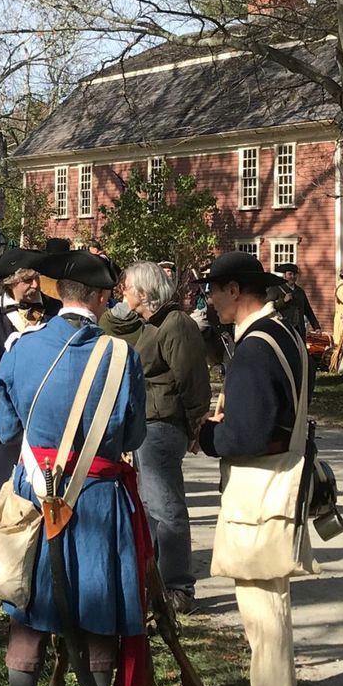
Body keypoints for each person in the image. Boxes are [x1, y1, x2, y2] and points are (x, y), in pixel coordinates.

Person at [0, 248, 149, 686]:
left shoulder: (20, 348)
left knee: (28, 612)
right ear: (104, 299)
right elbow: (132, 433)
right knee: (100, 616)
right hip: (98, 499)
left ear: (60, 293)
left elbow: (9, 428)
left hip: (36, 496)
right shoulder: (122, 358)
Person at [198, 251, 319, 686]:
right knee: (272, 600)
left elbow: (246, 435)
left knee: (261, 605)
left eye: (213, 290)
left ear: (234, 291)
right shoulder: (285, 334)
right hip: (283, 475)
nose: (209, 299)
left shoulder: (253, 349)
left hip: (259, 483)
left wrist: (208, 437)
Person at [102, 260, 211, 613]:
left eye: (128, 288)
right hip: (146, 426)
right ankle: (154, 584)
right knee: (149, 507)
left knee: (166, 508)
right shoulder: (148, 324)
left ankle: (179, 587)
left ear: (144, 293)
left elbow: (192, 379)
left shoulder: (175, 323)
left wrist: (197, 426)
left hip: (164, 425)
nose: (123, 294)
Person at [0, 251, 46, 498]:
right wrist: (12, 389)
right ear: (10, 283)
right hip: (9, 403)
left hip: (46, 402)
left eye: (36, 278)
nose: (36, 285)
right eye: (28, 280)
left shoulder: (52, 308)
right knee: (5, 483)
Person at [276, 262, 319, 335]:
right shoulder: (277, 290)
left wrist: (316, 327)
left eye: (295, 274)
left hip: (299, 330)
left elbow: (308, 310)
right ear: (284, 276)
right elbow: (270, 307)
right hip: (284, 330)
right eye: (290, 274)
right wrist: (283, 301)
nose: (293, 276)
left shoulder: (300, 292)